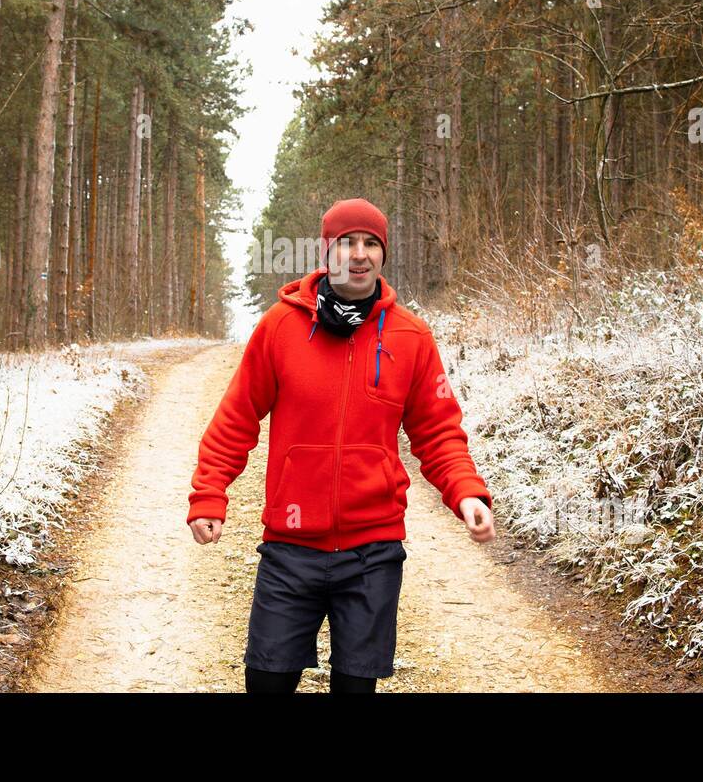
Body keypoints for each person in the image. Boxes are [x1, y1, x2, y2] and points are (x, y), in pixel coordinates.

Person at [186, 197, 496, 693]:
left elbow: (438, 431)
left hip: (373, 550)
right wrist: (209, 493)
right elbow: (237, 416)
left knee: (356, 687)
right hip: (290, 547)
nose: (359, 254)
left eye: (371, 243)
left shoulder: (411, 337)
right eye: (347, 242)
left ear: (383, 254)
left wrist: (466, 492)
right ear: (325, 251)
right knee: (265, 680)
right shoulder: (280, 328)